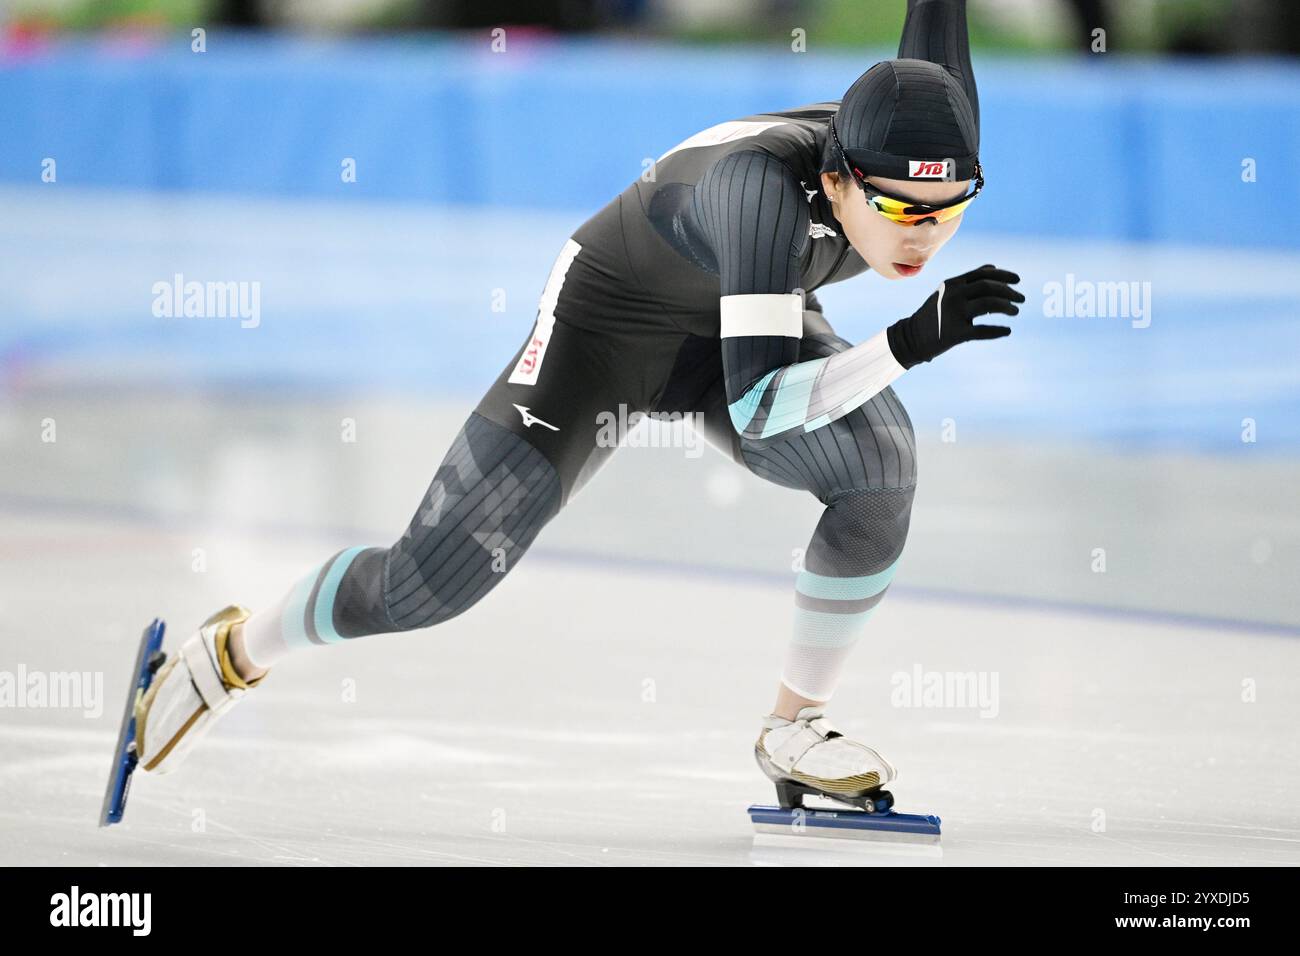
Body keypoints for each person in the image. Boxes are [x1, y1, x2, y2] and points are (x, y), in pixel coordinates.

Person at [133, 0, 1022, 810]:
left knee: (880, 468)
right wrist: (909, 341)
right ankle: (232, 655)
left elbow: (932, 27)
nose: (924, 236)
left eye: (950, 210)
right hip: (606, 333)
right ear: (835, 182)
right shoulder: (758, 190)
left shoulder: (937, 128)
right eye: (901, 208)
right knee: (424, 586)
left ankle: (794, 729)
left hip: (746, 320)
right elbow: (758, 410)